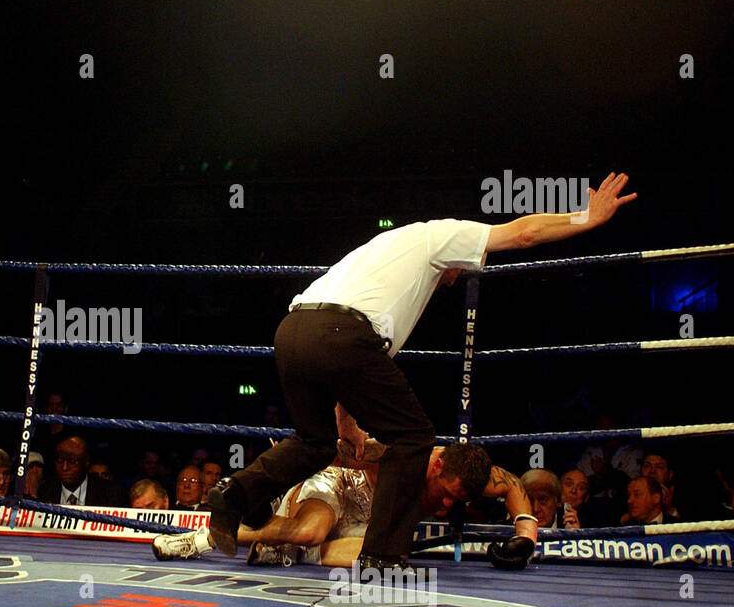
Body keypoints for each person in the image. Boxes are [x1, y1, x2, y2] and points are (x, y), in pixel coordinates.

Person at [206, 172, 637, 572]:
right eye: (466, 266)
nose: (458, 278)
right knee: (413, 437)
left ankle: (237, 493)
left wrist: (348, 425)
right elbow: (523, 234)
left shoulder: (384, 258)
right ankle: (382, 556)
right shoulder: (439, 234)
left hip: (294, 331)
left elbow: (349, 368)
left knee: (315, 443)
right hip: (341, 333)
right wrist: (587, 218)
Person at [155, 444, 529, 567]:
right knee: (310, 530)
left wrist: (525, 537)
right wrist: (270, 480)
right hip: (339, 487)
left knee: (388, 557)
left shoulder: (471, 475)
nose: (447, 504)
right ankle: (204, 537)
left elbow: (515, 485)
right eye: (446, 492)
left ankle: (285, 550)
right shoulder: (402, 454)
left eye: (456, 500)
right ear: (437, 465)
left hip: (369, 526)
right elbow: (321, 449)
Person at [39, 435, 126, 507]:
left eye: (72, 461)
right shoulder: (44, 491)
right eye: (60, 460)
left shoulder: (111, 493)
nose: (65, 467)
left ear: (86, 462)